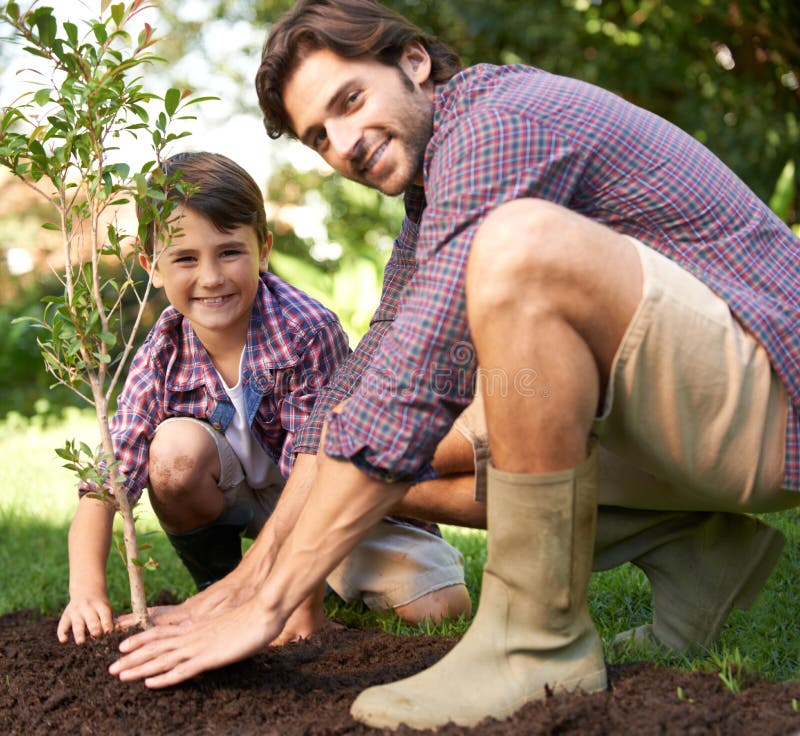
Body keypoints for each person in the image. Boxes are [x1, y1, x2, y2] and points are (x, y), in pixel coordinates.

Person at [109, 1, 800, 729]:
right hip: (697, 409)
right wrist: (245, 585)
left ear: (412, 62)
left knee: (516, 248)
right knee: (410, 427)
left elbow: (415, 380)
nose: (344, 144)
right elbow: (369, 376)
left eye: (350, 101)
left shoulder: (497, 128)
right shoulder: (432, 184)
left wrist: (277, 601)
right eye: (320, 136)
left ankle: (535, 643)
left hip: (777, 397)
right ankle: (696, 555)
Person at [57, 150, 472, 649]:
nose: (211, 277)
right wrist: (86, 592)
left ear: (264, 248)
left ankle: (312, 578)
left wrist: (295, 611)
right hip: (254, 504)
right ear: (153, 267)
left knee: (439, 607)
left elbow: (317, 474)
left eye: (229, 251)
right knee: (172, 454)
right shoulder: (161, 350)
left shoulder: (303, 331)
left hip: (339, 498)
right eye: (185, 258)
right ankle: (221, 590)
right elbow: (106, 482)